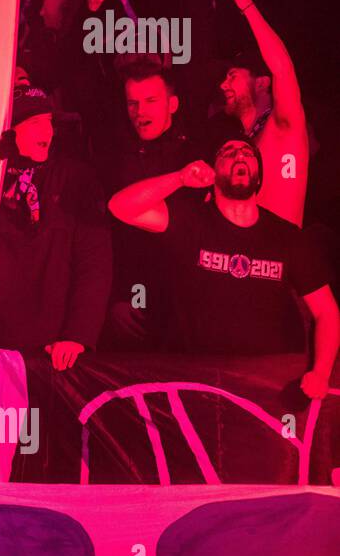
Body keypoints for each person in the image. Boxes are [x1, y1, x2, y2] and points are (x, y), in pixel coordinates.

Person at [108, 138, 338, 398]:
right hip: (196, 385)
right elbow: (121, 207)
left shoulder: (286, 237)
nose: (239, 156)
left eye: (247, 153)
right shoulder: (190, 221)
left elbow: (327, 312)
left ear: (259, 175)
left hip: (263, 390)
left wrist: (321, 372)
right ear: (212, 171)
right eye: (228, 152)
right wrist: (180, 178)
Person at [0, 87, 112, 372]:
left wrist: (78, 335)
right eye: (35, 123)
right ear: (9, 130)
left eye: (50, 121)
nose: (48, 131)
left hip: (54, 352)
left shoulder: (75, 178)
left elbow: (94, 262)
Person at [102, 63, 205, 348]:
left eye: (150, 101)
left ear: (173, 104)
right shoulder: (116, 156)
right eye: (132, 103)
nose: (140, 112)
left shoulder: (197, 151)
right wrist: (117, 298)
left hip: (189, 298)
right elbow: (109, 234)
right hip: (136, 295)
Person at [216, 0, 308, 226]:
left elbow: (284, 70)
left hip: (284, 259)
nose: (223, 86)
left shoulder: (284, 125)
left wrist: (246, 4)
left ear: (262, 83)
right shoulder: (242, 144)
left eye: (232, 77)